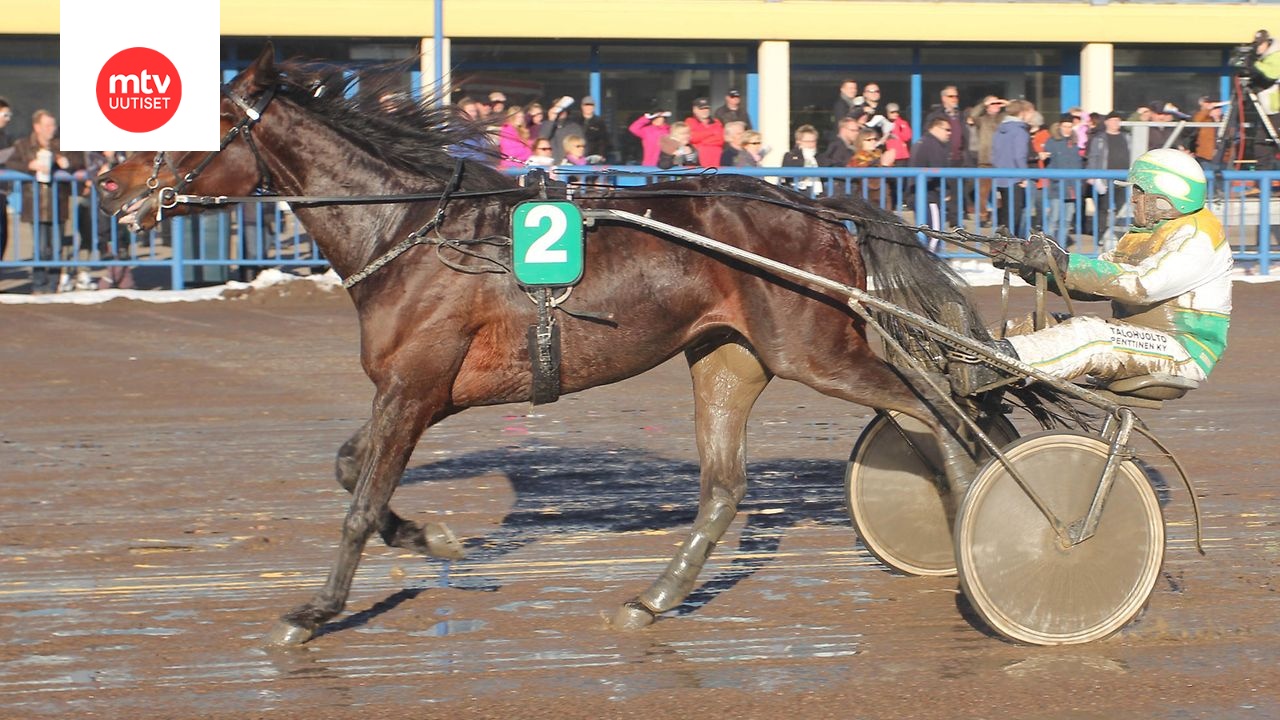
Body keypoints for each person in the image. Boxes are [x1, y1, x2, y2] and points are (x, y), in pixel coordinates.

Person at [954, 149, 1231, 395]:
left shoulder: (1200, 238)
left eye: (1137, 192)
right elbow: (1095, 283)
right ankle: (964, 352)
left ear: (1163, 197)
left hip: (1182, 351)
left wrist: (1063, 263)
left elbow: (1142, 287)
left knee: (1090, 334)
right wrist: (1030, 266)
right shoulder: (1143, 234)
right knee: (1043, 322)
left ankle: (991, 367)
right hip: (1139, 336)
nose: (1133, 200)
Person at [3, 109, 85, 294]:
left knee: (56, 245)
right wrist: (29, 166)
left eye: (53, 125)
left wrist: (64, 161)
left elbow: (78, 161)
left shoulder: (60, 145)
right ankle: (39, 283)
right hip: (35, 203)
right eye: (48, 125)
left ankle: (54, 283)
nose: (52, 129)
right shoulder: (24, 145)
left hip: (57, 202)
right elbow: (10, 163)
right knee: (40, 246)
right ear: (37, 127)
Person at [1085, 110, 1131, 242]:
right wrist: (1092, 175)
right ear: (1106, 122)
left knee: (1122, 209)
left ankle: (1118, 237)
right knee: (1103, 209)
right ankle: (1099, 236)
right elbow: (1093, 157)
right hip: (1104, 179)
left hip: (1124, 179)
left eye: (1117, 120)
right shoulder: (1099, 139)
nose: (1115, 123)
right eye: (1112, 120)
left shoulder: (1127, 137)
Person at [910, 117, 959, 240]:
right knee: (934, 236)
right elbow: (938, 169)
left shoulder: (922, 142)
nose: (950, 133)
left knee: (926, 232)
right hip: (930, 196)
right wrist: (946, 192)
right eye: (947, 130)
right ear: (935, 128)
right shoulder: (933, 145)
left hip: (919, 194)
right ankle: (933, 257)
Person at [991, 99, 1034, 237]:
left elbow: (994, 154)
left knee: (1004, 215)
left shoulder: (1000, 130)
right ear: (1022, 113)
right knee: (1014, 216)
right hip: (1015, 179)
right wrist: (1024, 176)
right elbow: (1019, 156)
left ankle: (1003, 244)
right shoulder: (1020, 131)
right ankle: (1012, 247)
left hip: (1000, 177)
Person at [923, 85, 969, 167]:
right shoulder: (935, 116)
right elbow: (928, 138)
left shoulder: (962, 116)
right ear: (943, 98)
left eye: (956, 96)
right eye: (951, 96)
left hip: (961, 163)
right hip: (943, 161)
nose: (954, 99)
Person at [847, 127, 895, 201]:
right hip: (868, 199)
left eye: (875, 139)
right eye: (869, 140)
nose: (873, 142)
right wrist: (884, 165)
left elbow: (892, 177)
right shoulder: (857, 159)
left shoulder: (880, 155)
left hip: (883, 197)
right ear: (860, 142)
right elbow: (872, 183)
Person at [780, 124, 824, 196]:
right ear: (798, 141)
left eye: (813, 141)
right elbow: (787, 173)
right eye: (807, 141)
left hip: (817, 193)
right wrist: (806, 160)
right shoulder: (790, 155)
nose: (811, 144)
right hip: (796, 193)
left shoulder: (819, 156)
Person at [539, 96, 584, 163]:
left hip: (569, 164)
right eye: (559, 109)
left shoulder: (574, 127)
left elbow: (581, 146)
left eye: (563, 109)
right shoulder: (546, 125)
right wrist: (551, 119)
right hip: (551, 164)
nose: (561, 111)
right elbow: (542, 139)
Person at [686, 97, 724, 167]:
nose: (704, 111)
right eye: (701, 108)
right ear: (694, 110)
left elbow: (721, 139)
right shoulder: (690, 121)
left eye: (706, 108)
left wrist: (701, 143)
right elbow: (692, 137)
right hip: (698, 163)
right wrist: (711, 132)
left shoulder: (716, 122)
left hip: (717, 161)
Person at [496, 105, 533, 170]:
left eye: (521, 117)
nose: (520, 119)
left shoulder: (523, 131)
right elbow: (510, 152)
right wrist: (528, 151)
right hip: (510, 166)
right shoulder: (506, 130)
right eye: (517, 117)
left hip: (524, 165)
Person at [0, 97, 12, 261]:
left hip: (1, 192)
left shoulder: (5, 137)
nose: (8, 119)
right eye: (5, 114)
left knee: (3, 232)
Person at [580, 97, 609, 162]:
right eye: (586, 105)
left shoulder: (599, 122)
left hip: (594, 156)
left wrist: (602, 155)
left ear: (594, 107)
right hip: (577, 156)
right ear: (582, 106)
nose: (588, 107)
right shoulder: (575, 120)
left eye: (591, 105)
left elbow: (603, 140)